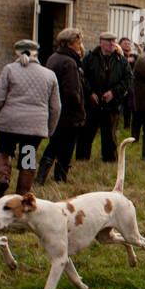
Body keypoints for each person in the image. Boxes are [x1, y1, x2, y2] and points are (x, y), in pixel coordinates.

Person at [0, 40, 60, 198]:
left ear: (16, 53)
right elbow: (56, 107)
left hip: (10, 122)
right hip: (35, 125)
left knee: (5, 149)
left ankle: (4, 177)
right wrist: (49, 129)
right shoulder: (49, 74)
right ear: (36, 53)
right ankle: (22, 195)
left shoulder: (9, 70)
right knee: (28, 155)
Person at [38, 27, 87, 184]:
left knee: (54, 144)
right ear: (69, 43)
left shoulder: (53, 58)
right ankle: (60, 178)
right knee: (66, 146)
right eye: (77, 43)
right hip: (68, 112)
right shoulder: (69, 62)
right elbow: (72, 91)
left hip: (55, 109)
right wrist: (80, 109)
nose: (79, 46)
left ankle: (38, 176)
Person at [76, 32, 132, 163]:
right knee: (86, 133)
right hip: (92, 103)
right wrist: (90, 93)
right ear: (101, 42)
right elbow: (82, 76)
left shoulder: (121, 60)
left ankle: (110, 160)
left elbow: (128, 79)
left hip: (112, 104)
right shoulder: (90, 57)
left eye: (113, 41)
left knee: (110, 135)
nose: (112, 44)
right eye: (108, 41)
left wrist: (113, 92)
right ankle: (82, 158)